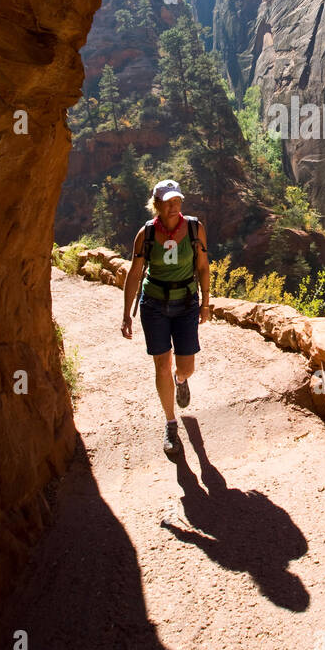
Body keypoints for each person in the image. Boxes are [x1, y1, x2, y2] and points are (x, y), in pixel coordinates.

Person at [121, 179, 212, 458]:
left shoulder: (195, 228)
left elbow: (203, 267)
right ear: (156, 205)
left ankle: (181, 380)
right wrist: (126, 314)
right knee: (161, 364)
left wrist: (206, 303)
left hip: (185, 303)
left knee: (186, 368)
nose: (174, 207)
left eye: (177, 202)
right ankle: (170, 424)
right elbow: (135, 273)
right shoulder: (146, 234)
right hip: (154, 304)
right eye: (168, 202)